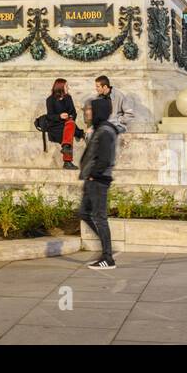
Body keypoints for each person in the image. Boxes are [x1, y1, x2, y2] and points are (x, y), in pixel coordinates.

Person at [78, 95, 118, 270]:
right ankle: (107, 247)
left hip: (98, 180)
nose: (87, 113)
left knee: (100, 218)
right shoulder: (100, 129)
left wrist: (94, 174)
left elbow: (105, 158)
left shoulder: (105, 132)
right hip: (92, 179)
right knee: (84, 213)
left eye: (90, 110)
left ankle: (107, 257)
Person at [40, 78, 81, 170]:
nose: (68, 87)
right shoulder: (50, 100)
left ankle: (66, 150)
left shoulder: (68, 98)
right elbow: (50, 116)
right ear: (60, 87)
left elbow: (74, 113)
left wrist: (69, 117)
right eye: (66, 86)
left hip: (68, 123)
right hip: (56, 125)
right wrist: (60, 116)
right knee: (69, 128)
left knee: (70, 124)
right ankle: (67, 161)